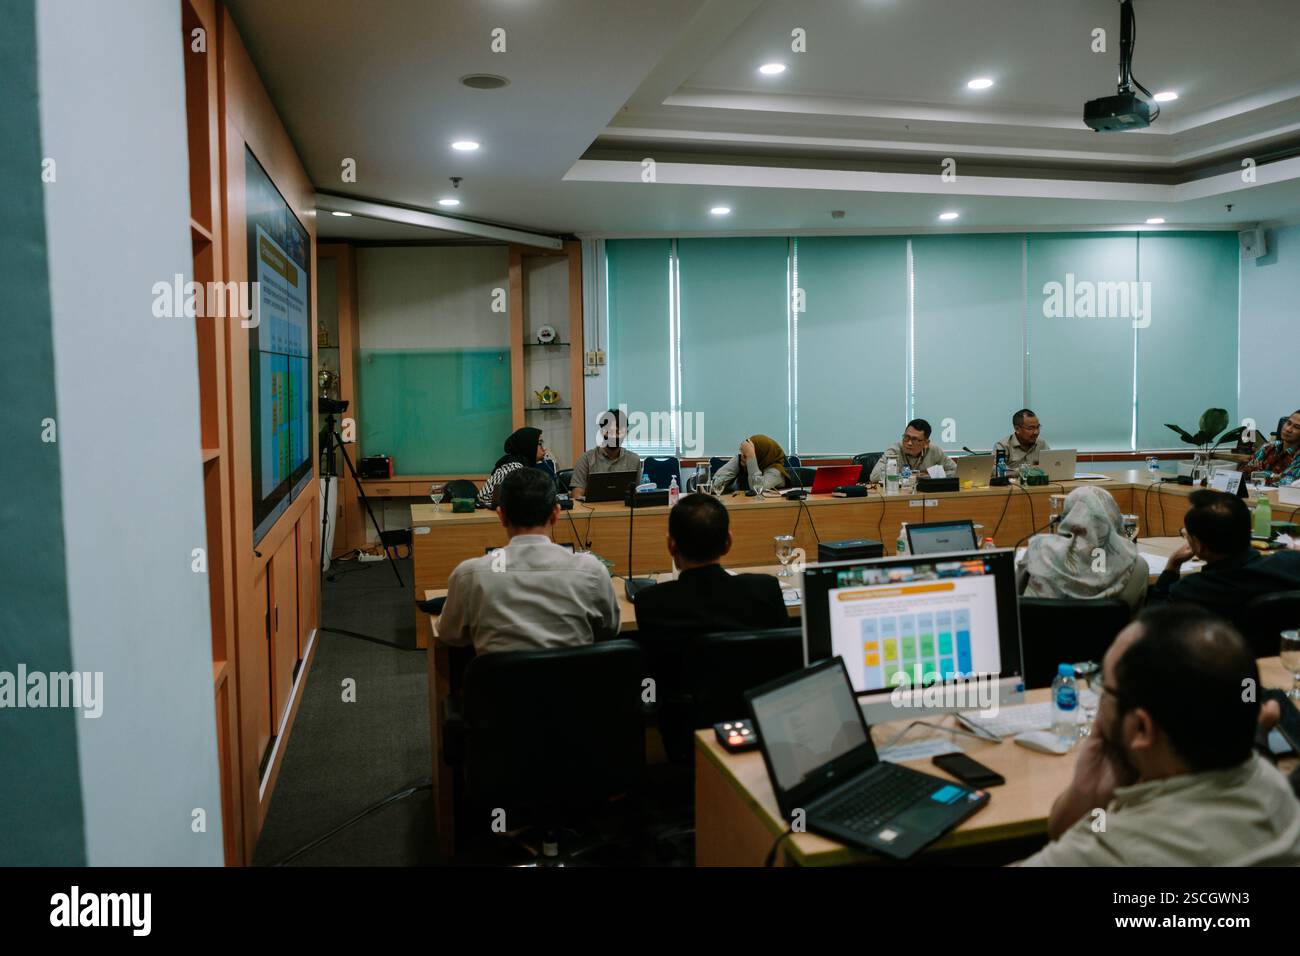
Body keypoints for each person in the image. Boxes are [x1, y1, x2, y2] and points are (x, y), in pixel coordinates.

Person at [1017, 604, 1300, 866]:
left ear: (1142, 728)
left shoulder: (1115, 851)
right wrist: (1087, 795)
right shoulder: (1273, 785)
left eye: (1105, 684)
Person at [633, 493, 790, 760]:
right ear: (728, 542)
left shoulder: (651, 602)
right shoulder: (765, 589)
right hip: (760, 724)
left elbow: (653, 675)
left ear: (671, 546)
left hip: (686, 734)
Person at [438, 468, 619, 655]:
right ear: (556, 513)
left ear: (501, 516)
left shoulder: (469, 575)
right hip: (570, 683)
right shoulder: (591, 571)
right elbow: (610, 629)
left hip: (500, 683)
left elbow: (449, 635)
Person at [1147, 489, 1300, 627]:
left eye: (1186, 534)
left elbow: (1152, 623)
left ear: (1199, 545)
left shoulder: (1191, 590)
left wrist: (1172, 567)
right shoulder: (1291, 564)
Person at [1017, 485, 1147, 608]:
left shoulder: (1039, 549)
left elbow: (1015, 595)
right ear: (1114, 516)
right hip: (1105, 631)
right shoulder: (1136, 564)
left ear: (1068, 516)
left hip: (1039, 631)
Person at [570, 407, 641, 498]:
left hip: (624, 510)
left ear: (626, 433)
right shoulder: (586, 459)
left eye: (618, 432)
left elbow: (638, 492)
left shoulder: (634, 460)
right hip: (594, 510)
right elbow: (577, 494)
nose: (614, 436)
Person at [477, 426, 546, 509]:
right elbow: (483, 497)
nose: (544, 448)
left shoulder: (525, 466)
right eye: (539, 443)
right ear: (528, 445)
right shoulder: (513, 468)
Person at [869, 419, 957, 483]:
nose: (909, 443)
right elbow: (874, 476)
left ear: (926, 443)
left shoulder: (934, 451)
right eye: (906, 437)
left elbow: (956, 471)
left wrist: (928, 476)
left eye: (915, 439)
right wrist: (911, 476)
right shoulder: (894, 451)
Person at [711, 434, 791, 494]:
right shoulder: (741, 459)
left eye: (747, 453)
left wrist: (750, 457)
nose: (743, 456)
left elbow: (757, 488)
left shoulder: (776, 471)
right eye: (744, 452)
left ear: (760, 454)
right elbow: (714, 485)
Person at [1238, 409, 1300, 486]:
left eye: (1297, 427)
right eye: (1288, 423)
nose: (1288, 429)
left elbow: (1285, 484)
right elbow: (1242, 471)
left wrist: (1257, 471)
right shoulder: (1268, 447)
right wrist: (1274, 475)